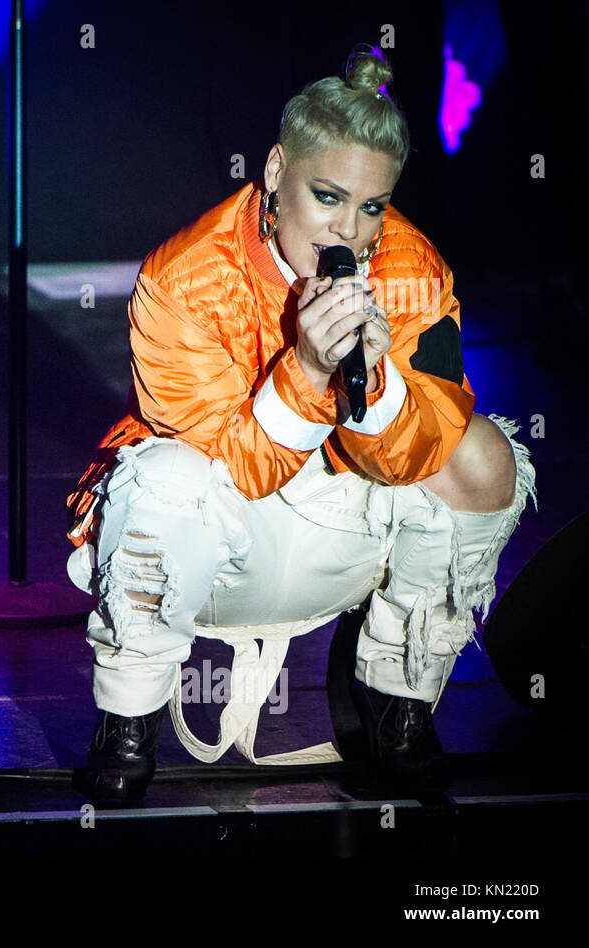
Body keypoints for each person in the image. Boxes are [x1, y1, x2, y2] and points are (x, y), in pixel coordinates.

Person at [64, 45, 537, 804]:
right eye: (327, 197)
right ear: (277, 171)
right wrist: (309, 373)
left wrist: (374, 389)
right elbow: (228, 469)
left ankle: (395, 702)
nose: (348, 230)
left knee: (481, 458)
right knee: (158, 476)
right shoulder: (182, 279)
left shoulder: (413, 269)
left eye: (372, 207)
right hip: (224, 543)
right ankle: (127, 724)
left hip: (342, 530)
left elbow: (421, 446)